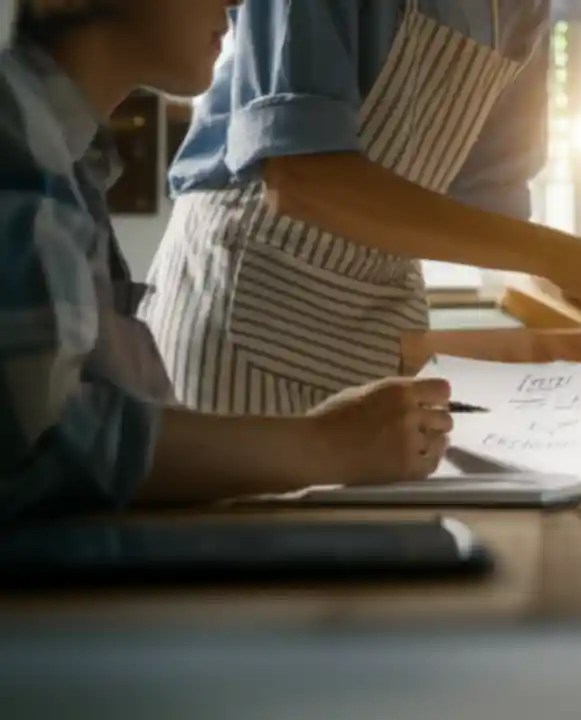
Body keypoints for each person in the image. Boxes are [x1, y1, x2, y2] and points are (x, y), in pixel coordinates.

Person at [0, 0, 453, 522]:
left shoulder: (71, 162)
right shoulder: (16, 144)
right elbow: (42, 442)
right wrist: (325, 444)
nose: (238, 2)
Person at [140, 0, 581, 416]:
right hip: (248, 310)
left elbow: (492, 219)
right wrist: (566, 256)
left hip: (374, 333)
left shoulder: (524, 10)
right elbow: (301, 176)